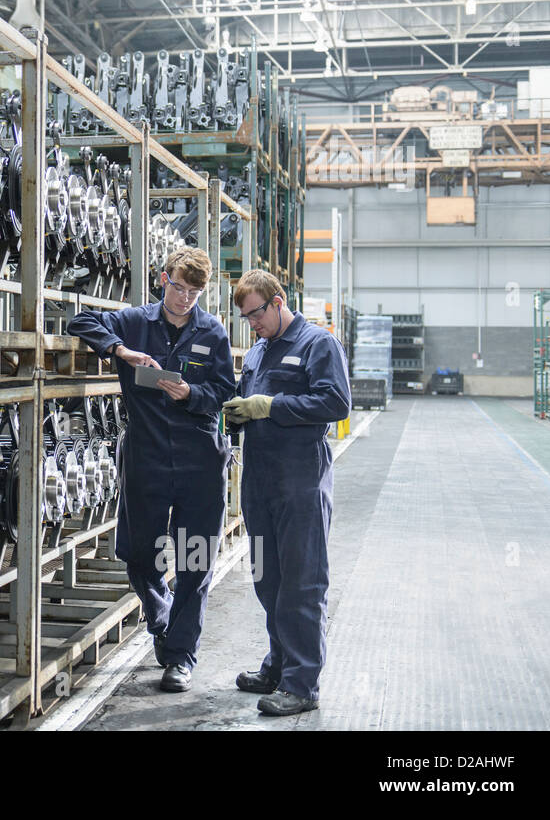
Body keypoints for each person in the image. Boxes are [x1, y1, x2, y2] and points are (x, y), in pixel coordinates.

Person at [68, 247, 235, 692]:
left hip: (200, 455)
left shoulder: (212, 331)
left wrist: (191, 395)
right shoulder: (135, 321)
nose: (184, 298)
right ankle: (162, 619)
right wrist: (122, 352)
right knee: (138, 553)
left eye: (194, 292)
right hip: (146, 453)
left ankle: (180, 657)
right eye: (178, 287)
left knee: (194, 558)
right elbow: (80, 320)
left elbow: (223, 388)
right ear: (164, 279)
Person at [222, 270, 350, 716]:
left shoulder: (318, 344)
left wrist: (271, 406)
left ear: (277, 302)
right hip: (260, 482)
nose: (251, 324)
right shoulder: (258, 352)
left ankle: (302, 684)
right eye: (245, 318)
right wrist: (238, 414)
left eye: (256, 314)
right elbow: (248, 399)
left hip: (300, 481)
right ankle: (277, 665)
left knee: (301, 583)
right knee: (269, 581)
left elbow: (336, 403)